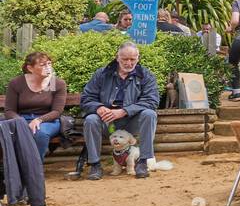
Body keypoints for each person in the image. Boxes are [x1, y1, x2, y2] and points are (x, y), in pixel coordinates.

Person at [79, 41, 159, 180]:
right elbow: (87, 98)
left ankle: (142, 162)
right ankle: (95, 164)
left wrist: (124, 111)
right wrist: (99, 107)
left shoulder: (146, 75)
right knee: (91, 119)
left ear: (138, 58)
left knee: (149, 114)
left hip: (131, 120)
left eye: (133, 59)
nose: (129, 63)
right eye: (125, 59)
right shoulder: (102, 74)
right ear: (117, 57)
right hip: (108, 122)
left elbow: (151, 101)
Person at [4, 51, 67, 160]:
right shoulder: (16, 83)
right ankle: (11, 170)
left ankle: (33, 171)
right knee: (6, 132)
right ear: (30, 68)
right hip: (22, 119)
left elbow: (57, 111)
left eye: (49, 64)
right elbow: (9, 110)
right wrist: (21, 122)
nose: (48, 68)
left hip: (48, 121)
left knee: (39, 133)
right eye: (43, 65)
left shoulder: (57, 83)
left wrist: (39, 120)